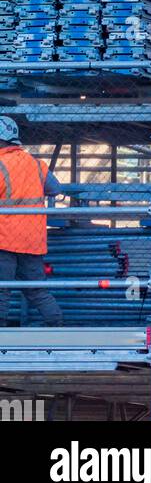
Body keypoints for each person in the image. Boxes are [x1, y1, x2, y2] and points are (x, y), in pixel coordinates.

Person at [0, 116, 63, 326]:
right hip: (32, 241)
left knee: (1, 289)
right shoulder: (37, 164)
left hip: (4, 240)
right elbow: (55, 189)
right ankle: (58, 329)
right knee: (36, 290)